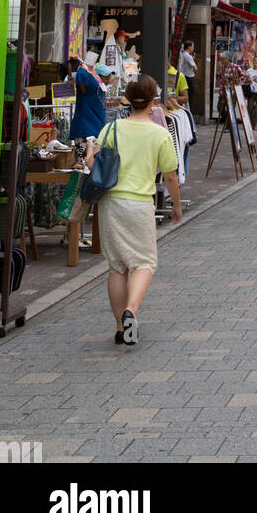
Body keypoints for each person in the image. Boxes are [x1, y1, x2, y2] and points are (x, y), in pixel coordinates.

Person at [84, 75, 181, 345]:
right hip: (139, 203)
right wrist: (175, 205)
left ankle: (120, 328)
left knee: (117, 267)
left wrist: (90, 148)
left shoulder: (112, 128)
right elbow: (171, 176)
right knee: (144, 263)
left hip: (110, 203)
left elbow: (93, 165)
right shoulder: (160, 133)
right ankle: (132, 311)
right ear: (153, 101)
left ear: (126, 99)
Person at [69, 51, 107, 141]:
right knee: (87, 140)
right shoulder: (82, 73)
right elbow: (84, 91)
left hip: (96, 109)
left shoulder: (93, 72)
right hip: (87, 110)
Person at [245, 54, 257, 127]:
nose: (255, 62)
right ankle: (250, 124)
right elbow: (245, 81)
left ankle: (254, 124)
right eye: (254, 60)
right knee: (249, 108)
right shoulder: (249, 71)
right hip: (251, 92)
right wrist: (248, 80)